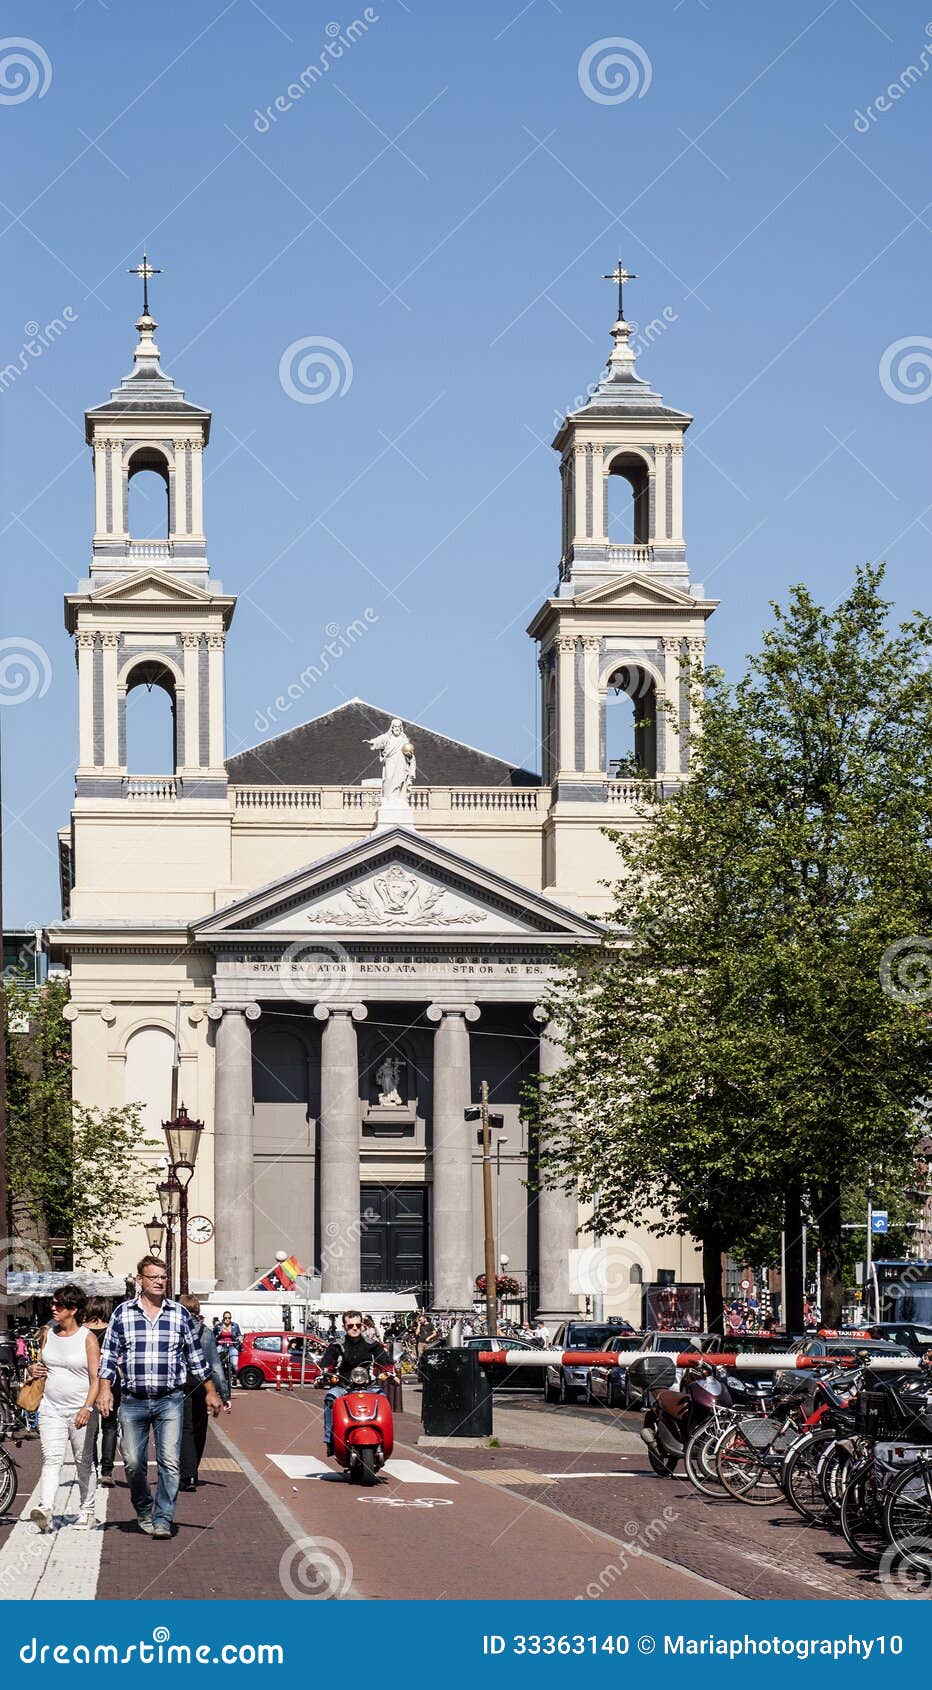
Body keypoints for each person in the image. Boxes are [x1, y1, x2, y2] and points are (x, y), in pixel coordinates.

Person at [97, 1256, 225, 1538]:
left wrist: (211, 1392)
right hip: (133, 1400)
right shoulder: (122, 1314)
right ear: (139, 1280)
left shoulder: (179, 1314)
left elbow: (195, 1357)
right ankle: (144, 1508)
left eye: (163, 1277)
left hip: (170, 1400)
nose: (159, 1281)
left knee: (170, 1462)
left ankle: (163, 1518)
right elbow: (107, 1356)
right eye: (153, 1276)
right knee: (132, 1461)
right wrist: (105, 1389)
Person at [26, 1282, 100, 1532]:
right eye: (53, 1303)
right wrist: (31, 1369)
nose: (53, 1307)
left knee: (83, 1461)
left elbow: (95, 1379)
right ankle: (46, 1508)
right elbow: (36, 1362)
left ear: (73, 1309)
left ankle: (87, 1510)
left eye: (59, 1304)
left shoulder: (87, 1338)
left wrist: (87, 1408)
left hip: (80, 1409)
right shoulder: (47, 1332)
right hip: (50, 1408)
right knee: (51, 1459)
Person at [319, 1310, 392, 1457]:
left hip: (369, 1387)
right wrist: (323, 1374)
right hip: (343, 1387)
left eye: (358, 1325)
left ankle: (386, 1439)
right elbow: (326, 1364)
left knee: (383, 1399)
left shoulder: (372, 1345)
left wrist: (390, 1372)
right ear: (344, 1326)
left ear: (362, 1325)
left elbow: (385, 1363)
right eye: (350, 1325)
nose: (354, 1328)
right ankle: (330, 1440)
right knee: (330, 1398)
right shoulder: (336, 1346)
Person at [178, 1295, 230, 1492]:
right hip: (202, 1384)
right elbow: (215, 1366)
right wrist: (223, 1394)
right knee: (200, 1428)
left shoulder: (176, 1328)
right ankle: (193, 1471)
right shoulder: (206, 1332)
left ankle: (187, 1474)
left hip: (181, 1383)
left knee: (185, 1429)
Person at [84, 1297, 119, 1487]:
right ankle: (107, 1470)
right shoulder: (112, 1330)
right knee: (110, 1425)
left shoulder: (82, 1332)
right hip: (111, 1380)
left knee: (92, 1428)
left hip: (87, 1381)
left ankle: (91, 1466)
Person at [213, 1311, 242, 1382]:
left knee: (235, 1365)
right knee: (217, 1363)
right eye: (225, 1318)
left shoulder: (235, 1325)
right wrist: (215, 1340)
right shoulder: (218, 1326)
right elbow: (213, 1336)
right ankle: (219, 1378)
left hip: (232, 1346)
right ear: (223, 1318)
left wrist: (240, 1338)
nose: (227, 1319)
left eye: (229, 1318)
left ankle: (234, 1377)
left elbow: (239, 1335)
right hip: (221, 1345)